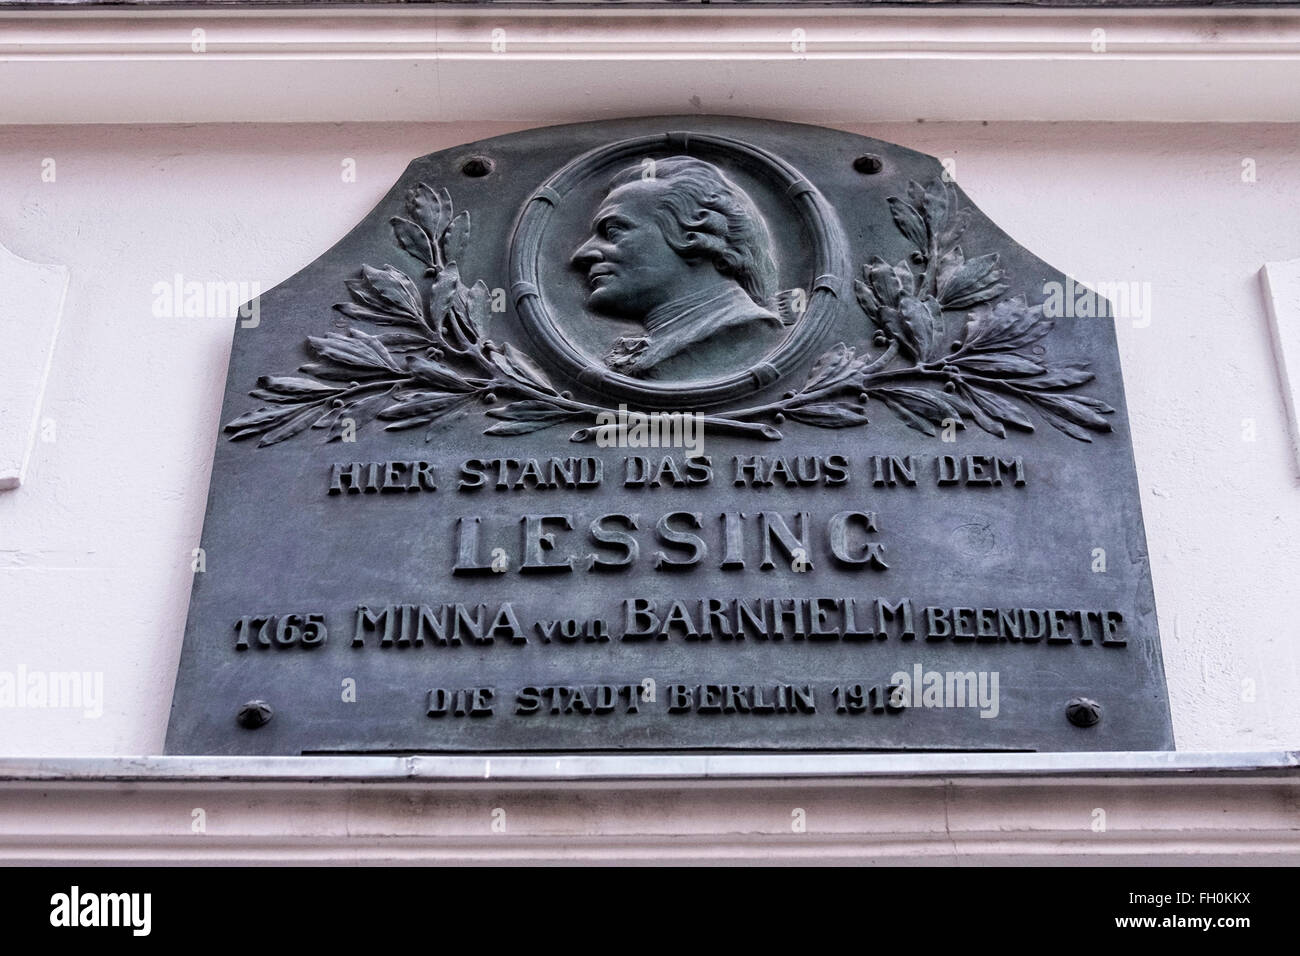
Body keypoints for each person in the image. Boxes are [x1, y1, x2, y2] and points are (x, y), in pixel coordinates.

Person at [570, 156, 786, 380]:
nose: (582, 254)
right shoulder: (657, 343)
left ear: (695, 235)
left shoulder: (746, 331)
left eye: (613, 232)